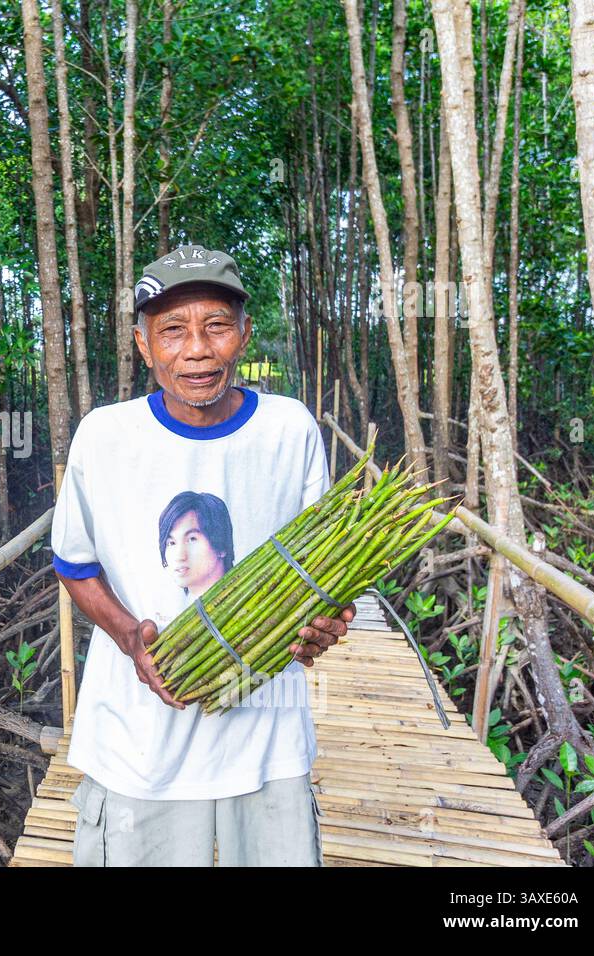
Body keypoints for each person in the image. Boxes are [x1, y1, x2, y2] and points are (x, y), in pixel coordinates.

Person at [51, 243, 356, 866]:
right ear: (144, 345)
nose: (196, 349)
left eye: (216, 326)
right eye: (172, 331)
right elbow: (76, 564)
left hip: (264, 741)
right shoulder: (106, 437)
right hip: (139, 745)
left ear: (244, 335)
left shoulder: (288, 427)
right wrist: (130, 636)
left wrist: (325, 621)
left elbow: (324, 571)